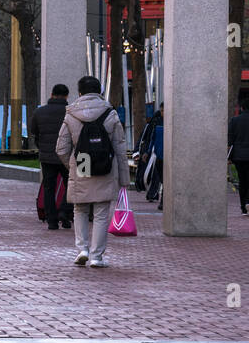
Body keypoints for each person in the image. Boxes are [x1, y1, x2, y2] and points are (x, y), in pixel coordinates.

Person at [55, 76, 128, 268]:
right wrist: (124, 177)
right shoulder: (110, 113)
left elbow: (61, 148)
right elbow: (120, 147)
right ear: (99, 92)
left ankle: (82, 249)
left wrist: (73, 164)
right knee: (101, 212)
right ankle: (97, 256)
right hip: (105, 164)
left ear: (79, 93)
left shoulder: (71, 114)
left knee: (80, 208)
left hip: (83, 162)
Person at [29, 83, 73, 230]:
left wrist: (42, 147)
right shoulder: (71, 112)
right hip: (67, 156)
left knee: (49, 187)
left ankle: (51, 220)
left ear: (51, 95)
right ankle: (65, 211)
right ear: (67, 96)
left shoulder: (40, 112)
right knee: (71, 185)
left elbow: (34, 131)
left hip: (47, 156)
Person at [143, 103, 164, 201]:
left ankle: (163, 200)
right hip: (158, 155)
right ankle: (153, 194)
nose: (162, 113)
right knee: (158, 176)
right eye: (161, 110)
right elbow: (152, 138)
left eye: (164, 110)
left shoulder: (171, 123)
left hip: (166, 156)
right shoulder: (157, 122)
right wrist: (148, 152)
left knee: (164, 179)